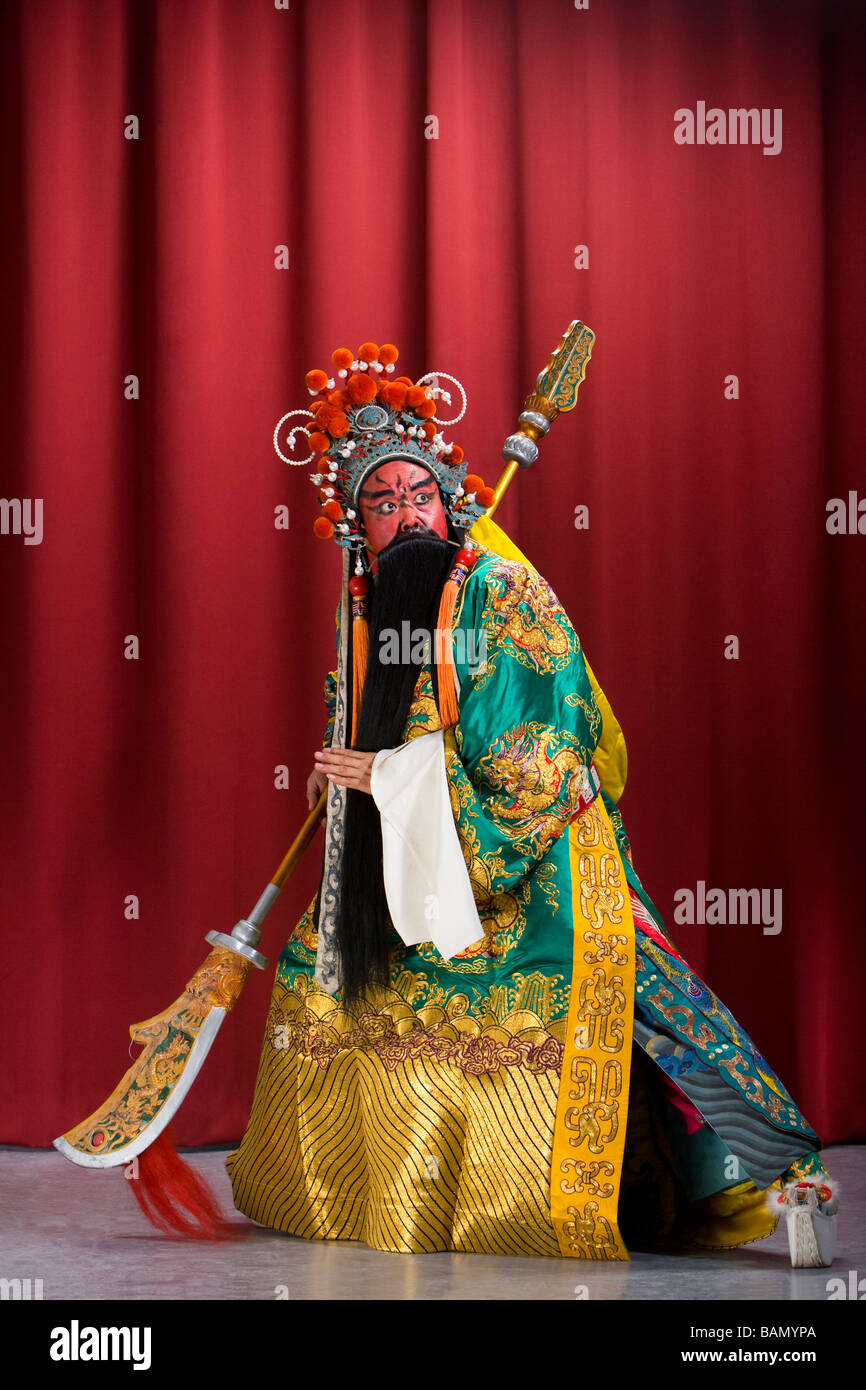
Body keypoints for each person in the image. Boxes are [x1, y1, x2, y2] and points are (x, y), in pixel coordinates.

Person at [226, 340, 837, 1264]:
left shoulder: (503, 593)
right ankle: (370, 1194)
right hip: (408, 854)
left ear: (448, 496)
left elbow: (534, 758)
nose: (407, 514)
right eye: (382, 503)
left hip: (527, 847)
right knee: (327, 974)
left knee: (631, 999)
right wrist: (339, 771)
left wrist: (390, 780)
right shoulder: (369, 604)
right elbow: (360, 713)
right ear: (358, 526)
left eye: (419, 492)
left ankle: (774, 1168)